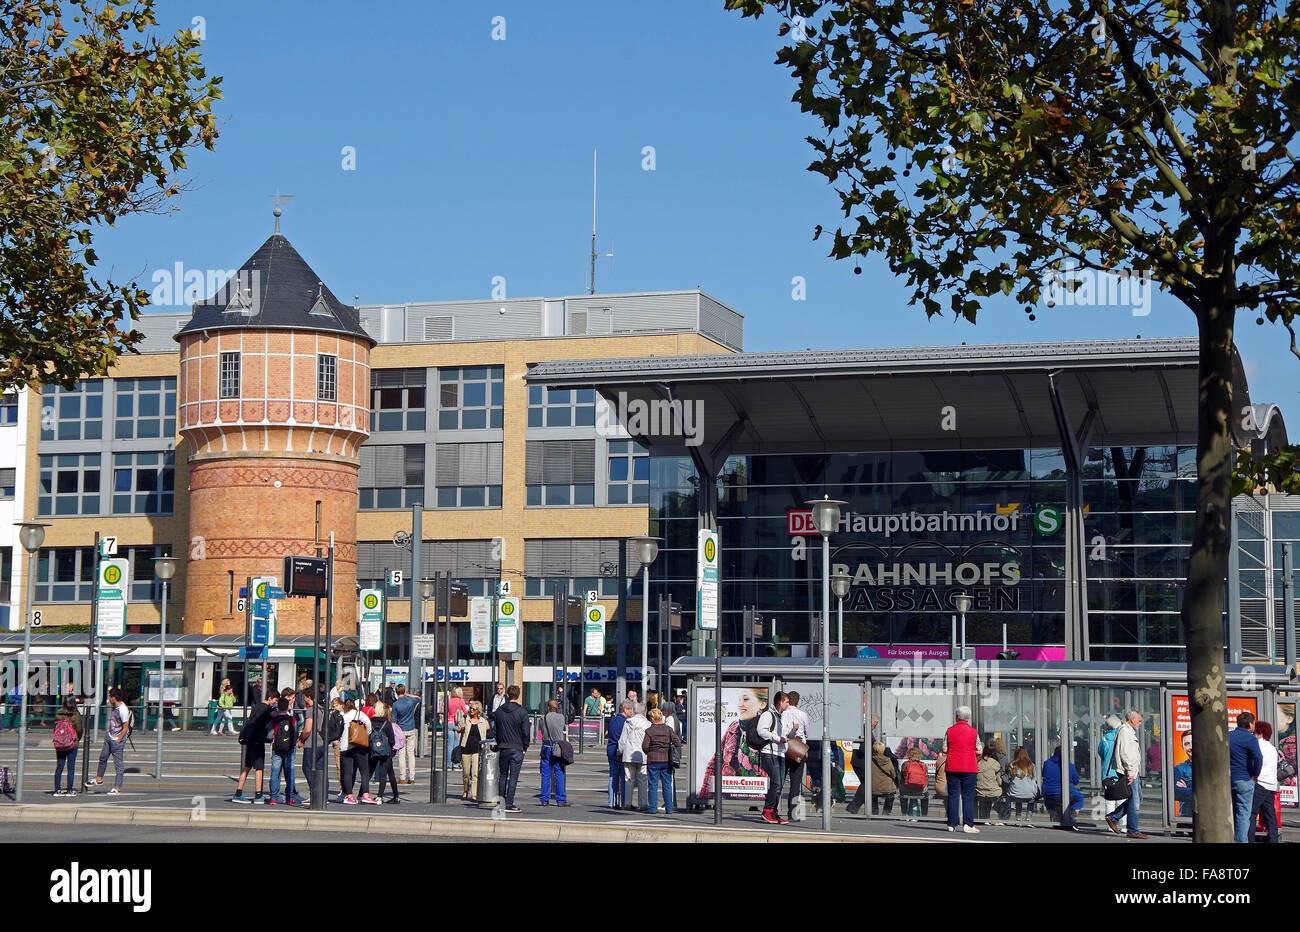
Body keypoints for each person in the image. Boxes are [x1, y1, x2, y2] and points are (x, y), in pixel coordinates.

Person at [697, 686, 767, 802]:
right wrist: (705, 797)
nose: (740, 704)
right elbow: (714, 763)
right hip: (729, 791)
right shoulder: (734, 727)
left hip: (756, 793)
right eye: (739, 700)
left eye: (745, 699)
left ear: (762, 704)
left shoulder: (765, 728)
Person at [230, 691, 276, 804]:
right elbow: (275, 717)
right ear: (270, 698)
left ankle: (238, 793)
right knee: (259, 768)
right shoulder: (267, 709)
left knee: (247, 767)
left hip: (250, 740)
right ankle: (258, 794)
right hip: (258, 740)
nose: (275, 703)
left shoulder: (256, 707)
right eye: (275, 700)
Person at [489, 685, 529, 812]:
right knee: (513, 777)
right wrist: (525, 746)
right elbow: (526, 732)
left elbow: (494, 730)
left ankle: (501, 802)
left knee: (502, 775)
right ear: (518, 695)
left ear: (507, 694)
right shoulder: (522, 711)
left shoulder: (499, 711)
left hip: (503, 747)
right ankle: (509, 803)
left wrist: (499, 742)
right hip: (517, 747)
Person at [1110, 709, 1148, 839]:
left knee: (1138, 799)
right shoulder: (1125, 732)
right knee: (1135, 800)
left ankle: (1113, 817)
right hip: (1129, 772)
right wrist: (1131, 773)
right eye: (1139, 721)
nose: (1140, 723)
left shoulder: (1127, 731)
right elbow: (1126, 754)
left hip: (1132, 771)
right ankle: (1132, 830)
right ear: (1132, 720)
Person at [86, 688, 131, 795]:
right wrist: (108, 731)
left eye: (110, 696)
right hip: (110, 736)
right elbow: (115, 721)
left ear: (114, 698)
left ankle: (117, 787)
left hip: (117, 740)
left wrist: (118, 740)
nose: (109, 698)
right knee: (103, 758)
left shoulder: (123, 710)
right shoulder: (115, 707)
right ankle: (99, 779)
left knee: (118, 764)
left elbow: (125, 727)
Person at [755, 692, 790, 824]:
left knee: (779, 784)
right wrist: (777, 738)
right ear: (780, 702)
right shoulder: (768, 714)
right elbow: (761, 730)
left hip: (780, 753)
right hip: (769, 752)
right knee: (776, 782)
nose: (788, 704)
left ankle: (773, 812)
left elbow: (784, 735)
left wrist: (791, 733)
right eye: (786, 702)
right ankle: (767, 810)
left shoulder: (780, 717)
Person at [1229, 710, 1262, 843]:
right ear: (1250, 724)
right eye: (1254, 723)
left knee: (1231, 812)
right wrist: (1255, 774)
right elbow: (1258, 758)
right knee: (1243, 813)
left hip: (1228, 779)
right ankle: (1241, 841)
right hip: (1245, 778)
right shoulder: (1250, 738)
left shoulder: (1228, 735)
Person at [944, 705, 979, 833]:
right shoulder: (974, 732)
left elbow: (944, 749)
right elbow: (979, 749)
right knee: (968, 796)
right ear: (968, 718)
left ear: (957, 717)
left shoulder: (949, 730)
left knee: (953, 795)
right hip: (969, 766)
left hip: (952, 765)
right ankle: (968, 824)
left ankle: (952, 824)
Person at [642, 707, 682, 815]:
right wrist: (667, 747)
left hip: (653, 760)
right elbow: (678, 742)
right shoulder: (668, 729)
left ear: (653, 718)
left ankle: (653, 808)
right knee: (667, 785)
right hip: (666, 760)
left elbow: (645, 746)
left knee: (653, 785)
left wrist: (651, 751)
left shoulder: (649, 730)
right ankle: (669, 809)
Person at [339, 698, 378, 805]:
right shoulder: (359, 714)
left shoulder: (343, 716)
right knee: (364, 771)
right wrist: (367, 734)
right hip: (360, 745)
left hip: (346, 746)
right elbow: (368, 723)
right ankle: (365, 795)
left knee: (347, 772)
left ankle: (349, 796)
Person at [782, 691, 811, 820]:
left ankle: (772, 810)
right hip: (798, 750)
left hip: (784, 748)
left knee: (779, 781)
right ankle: (792, 813)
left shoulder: (783, 713)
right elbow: (806, 732)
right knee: (795, 783)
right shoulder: (802, 714)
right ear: (798, 701)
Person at [267, 693, 300, 805]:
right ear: (287, 706)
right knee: (290, 773)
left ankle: (273, 798)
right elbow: (295, 734)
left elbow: (269, 735)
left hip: (277, 749)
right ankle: (289, 798)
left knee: (275, 773)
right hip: (290, 749)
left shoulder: (275, 719)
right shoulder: (292, 720)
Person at [1041, 744, 1084, 830]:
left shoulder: (1047, 763)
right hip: (1067, 792)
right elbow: (1076, 780)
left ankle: (1055, 818)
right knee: (1079, 799)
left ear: (1054, 753)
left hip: (1049, 792)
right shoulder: (1069, 765)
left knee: (1049, 800)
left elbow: (1044, 775)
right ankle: (1071, 818)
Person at [619, 701, 652, 811]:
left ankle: (627, 803)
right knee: (643, 779)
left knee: (629, 779)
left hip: (629, 753)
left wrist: (620, 752)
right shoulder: (648, 724)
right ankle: (643, 803)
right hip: (643, 754)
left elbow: (623, 740)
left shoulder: (628, 722)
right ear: (644, 711)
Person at [1098, 714, 1127, 833]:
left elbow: (1101, 753)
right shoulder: (1123, 737)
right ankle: (1124, 825)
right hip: (1121, 772)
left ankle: (1110, 825)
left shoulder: (1104, 739)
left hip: (1108, 773)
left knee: (1110, 800)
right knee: (1123, 799)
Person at [1251, 721, 1278, 843]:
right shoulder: (1273, 749)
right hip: (1271, 785)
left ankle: (1249, 839)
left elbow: (1255, 762)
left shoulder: (1257, 745)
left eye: (1255, 732)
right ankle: (1273, 840)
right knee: (1270, 816)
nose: (1253, 734)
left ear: (1260, 733)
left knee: (1251, 814)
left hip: (1260, 783)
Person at [539, 698, 569, 807]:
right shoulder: (561, 717)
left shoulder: (542, 718)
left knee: (545, 774)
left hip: (546, 746)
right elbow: (562, 729)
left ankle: (544, 799)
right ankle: (560, 799)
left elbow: (541, 731)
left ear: (548, 707)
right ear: (557, 708)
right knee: (559, 773)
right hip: (558, 747)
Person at [53, 694, 84, 798]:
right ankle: (69, 789)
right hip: (72, 743)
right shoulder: (75, 715)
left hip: (60, 743)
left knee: (59, 766)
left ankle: (57, 789)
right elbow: (79, 729)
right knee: (71, 767)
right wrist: (76, 739)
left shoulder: (58, 713)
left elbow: (55, 728)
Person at [390, 684, 421, 785]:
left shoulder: (395, 704)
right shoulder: (410, 701)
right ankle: (412, 777)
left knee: (401, 754)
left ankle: (402, 777)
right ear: (404, 691)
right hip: (411, 728)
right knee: (411, 754)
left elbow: (394, 720)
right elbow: (419, 698)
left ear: (396, 692)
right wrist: (408, 695)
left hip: (401, 730)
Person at [369, 700, 398, 804]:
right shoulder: (387, 723)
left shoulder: (370, 721)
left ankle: (362, 794)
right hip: (386, 752)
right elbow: (392, 740)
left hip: (372, 751)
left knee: (368, 772)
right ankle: (381, 796)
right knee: (387, 773)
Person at [298, 691, 325, 802]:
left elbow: (308, 729)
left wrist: (301, 740)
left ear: (309, 697)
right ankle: (322, 795)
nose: (304, 698)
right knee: (320, 769)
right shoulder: (322, 709)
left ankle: (314, 793)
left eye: (305, 696)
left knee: (307, 768)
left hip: (311, 743)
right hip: (321, 742)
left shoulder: (310, 710)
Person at [458, 701, 488, 801]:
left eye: (473, 709)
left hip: (477, 749)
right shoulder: (465, 719)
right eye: (470, 708)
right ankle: (465, 790)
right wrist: (461, 728)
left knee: (475, 773)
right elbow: (458, 729)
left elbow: (488, 728)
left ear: (478, 710)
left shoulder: (482, 720)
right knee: (466, 773)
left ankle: (474, 794)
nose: (471, 710)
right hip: (466, 748)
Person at [1005, 747, 1039, 822]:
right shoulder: (1031, 765)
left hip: (1015, 793)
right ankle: (1028, 818)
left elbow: (1008, 778)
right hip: (1030, 794)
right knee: (1030, 800)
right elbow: (1035, 779)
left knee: (1018, 797)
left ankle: (1018, 818)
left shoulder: (1012, 765)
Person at [976, 742, 1007, 825]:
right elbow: (999, 781)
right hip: (992, 791)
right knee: (999, 793)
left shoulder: (978, 762)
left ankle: (984, 817)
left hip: (979, 791)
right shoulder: (995, 763)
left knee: (984, 799)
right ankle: (1001, 818)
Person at [607, 700, 630, 808]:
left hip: (610, 749)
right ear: (625, 710)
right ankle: (624, 801)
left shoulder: (613, 720)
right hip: (619, 751)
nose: (631, 712)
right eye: (630, 710)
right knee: (623, 776)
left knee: (613, 775)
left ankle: (611, 801)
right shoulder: (625, 722)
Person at [898, 747, 928, 820]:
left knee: (902, 791)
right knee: (926, 795)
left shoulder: (905, 764)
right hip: (920, 790)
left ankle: (904, 814)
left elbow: (902, 777)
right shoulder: (923, 765)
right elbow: (926, 778)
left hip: (906, 789)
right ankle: (924, 815)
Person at [868, 741, 898, 816]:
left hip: (873, 788)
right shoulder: (888, 760)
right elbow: (893, 774)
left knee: (872, 797)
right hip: (887, 788)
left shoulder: (869, 760)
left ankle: (874, 812)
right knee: (891, 795)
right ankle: (886, 812)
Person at [1173, 730, 1194, 820]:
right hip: (1186, 818)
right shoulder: (1179, 769)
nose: (1191, 747)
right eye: (1187, 744)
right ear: (1182, 747)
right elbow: (1176, 792)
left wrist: (1187, 789)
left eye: (1193, 742)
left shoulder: (1209, 766)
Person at [446, 687, 468, 768]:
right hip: (457, 724)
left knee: (449, 745)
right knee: (456, 744)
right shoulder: (461, 701)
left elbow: (446, 712)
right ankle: (455, 763)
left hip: (449, 723)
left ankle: (449, 763)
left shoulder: (449, 701)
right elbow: (465, 712)